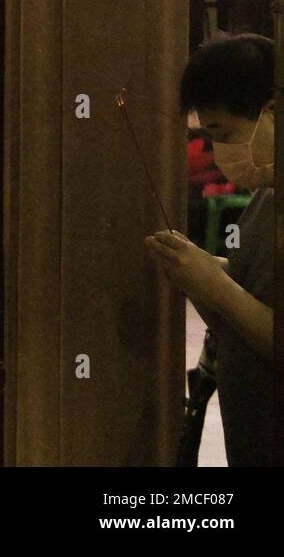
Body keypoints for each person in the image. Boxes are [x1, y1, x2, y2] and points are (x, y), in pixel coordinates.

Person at [148, 33, 275, 466]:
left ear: (272, 113)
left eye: (224, 132)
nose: (221, 151)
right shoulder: (267, 195)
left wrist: (214, 284)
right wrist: (199, 271)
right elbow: (255, 290)